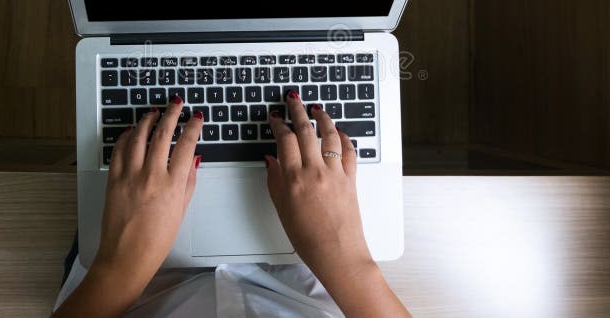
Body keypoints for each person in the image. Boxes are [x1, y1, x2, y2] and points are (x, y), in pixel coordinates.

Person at [53, 91, 411, 317]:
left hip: (127, 287)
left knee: (121, 156)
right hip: (319, 274)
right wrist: (349, 263)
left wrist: (117, 270)